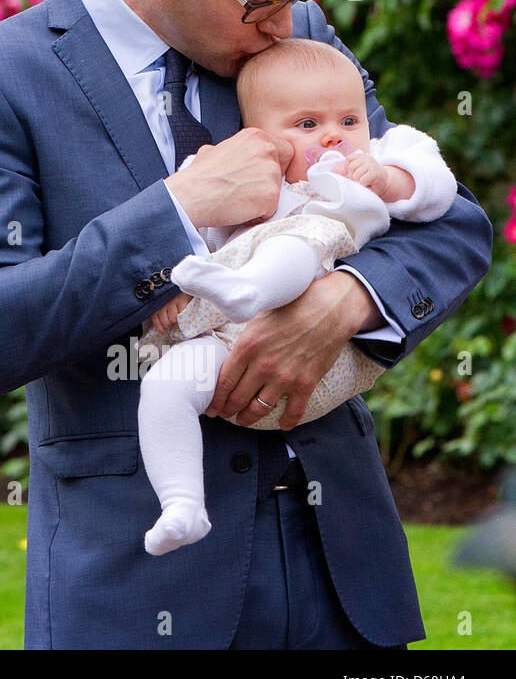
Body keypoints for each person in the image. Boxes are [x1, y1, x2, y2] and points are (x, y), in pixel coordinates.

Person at [0, 0, 493, 649]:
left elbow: (449, 220)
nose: (284, 21)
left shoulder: (295, 39)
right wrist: (177, 210)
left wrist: (340, 301)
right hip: (140, 592)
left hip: (344, 582)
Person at [136, 37, 459, 556]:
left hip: (324, 352)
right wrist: (176, 285)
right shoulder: (248, 182)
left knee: (298, 242)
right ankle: (182, 504)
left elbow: (440, 189)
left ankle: (247, 289)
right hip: (234, 357)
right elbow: (200, 235)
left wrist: (389, 178)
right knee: (165, 386)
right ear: (259, 139)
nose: (335, 137)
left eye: (348, 121)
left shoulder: (372, 163)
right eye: (308, 125)